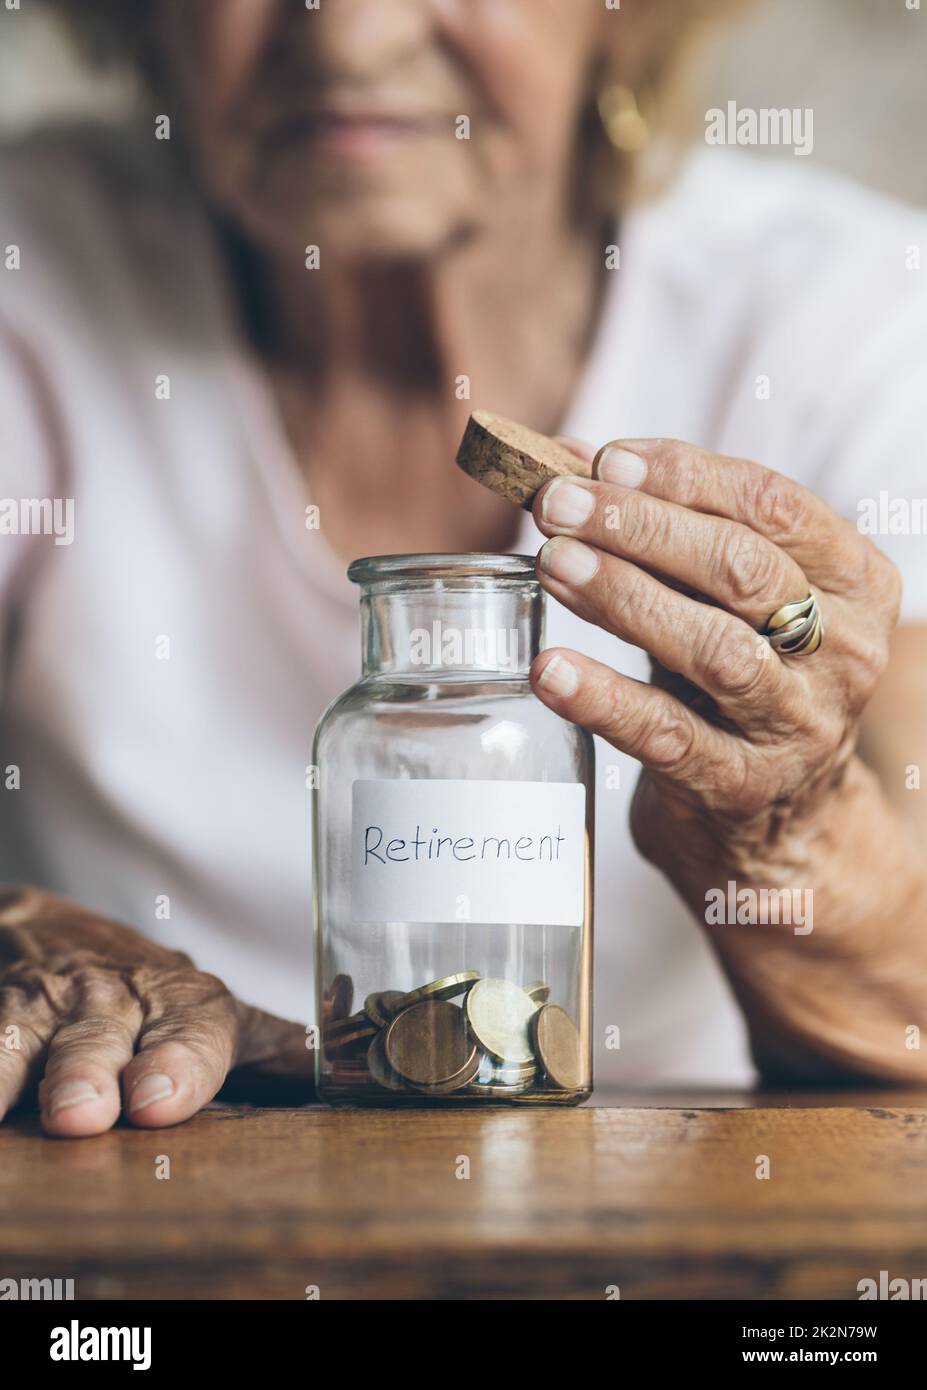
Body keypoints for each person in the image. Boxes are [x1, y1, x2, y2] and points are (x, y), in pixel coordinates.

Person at [1, 0, 925, 1137]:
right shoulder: (30, 276)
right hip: (149, 1200)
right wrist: (33, 928)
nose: (348, 34)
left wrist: (785, 822)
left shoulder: (855, 324)